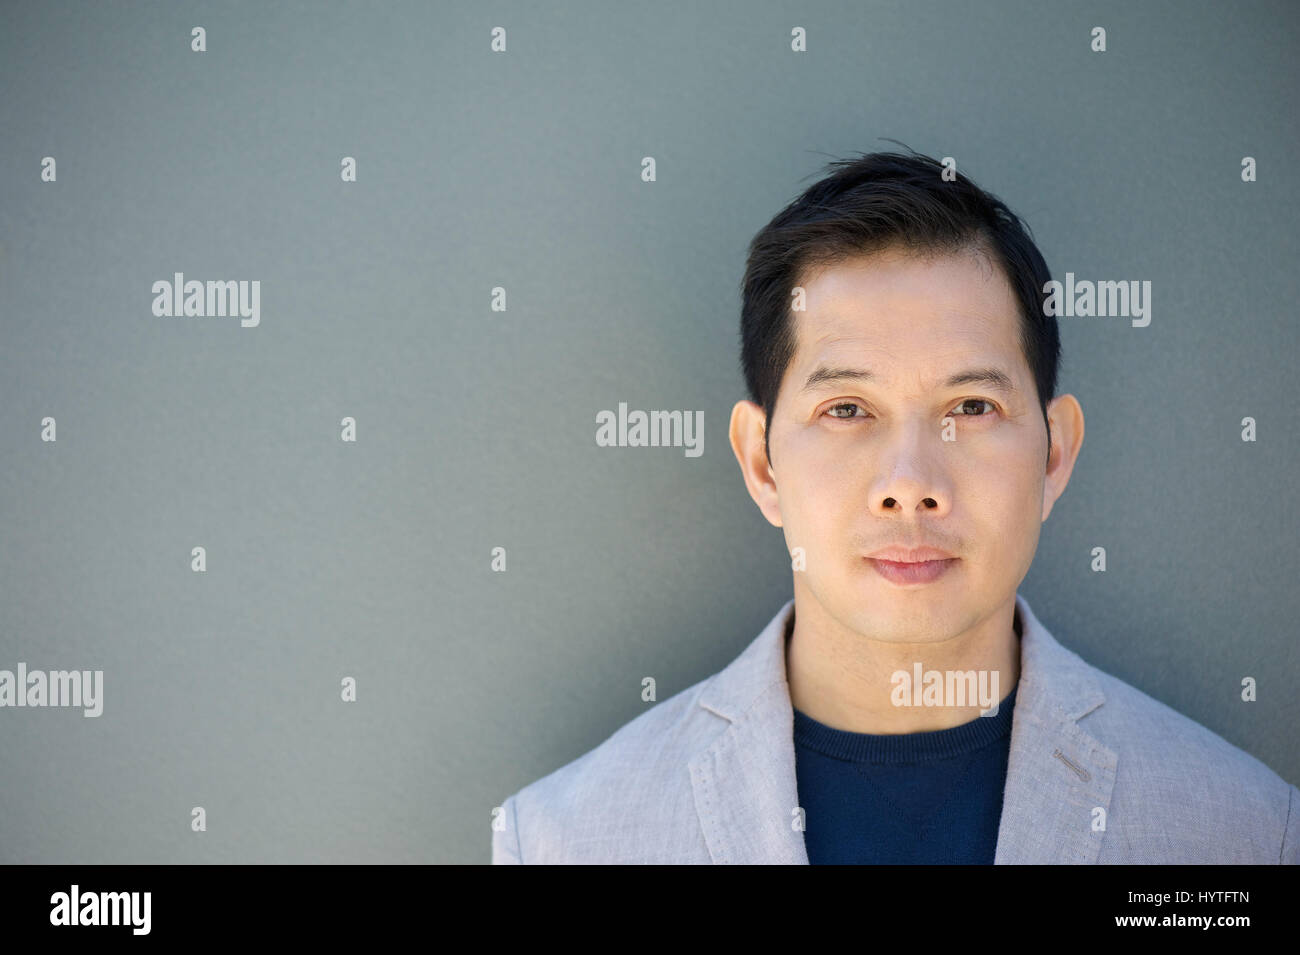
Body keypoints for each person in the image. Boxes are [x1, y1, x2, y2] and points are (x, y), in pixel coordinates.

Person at [492, 151, 1298, 863]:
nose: (910, 480)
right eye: (846, 409)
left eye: (973, 406)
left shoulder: (1244, 833)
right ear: (760, 462)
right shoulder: (565, 841)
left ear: (1054, 453)